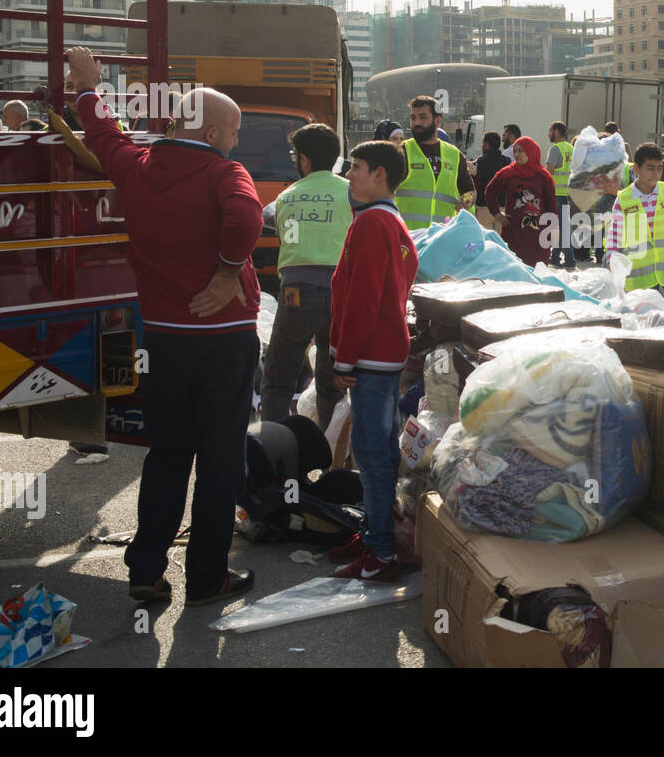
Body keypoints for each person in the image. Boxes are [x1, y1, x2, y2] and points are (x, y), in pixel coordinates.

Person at [67, 46, 260, 606]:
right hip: (222, 340)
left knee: (168, 454)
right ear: (218, 130)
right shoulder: (225, 172)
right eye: (237, 131)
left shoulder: (139, 165)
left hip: (163, 340)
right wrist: (227, 272)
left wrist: (86, 87)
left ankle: (147, 570)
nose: (238, 142)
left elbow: (102, 137)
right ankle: (206, 577)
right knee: (222, 460)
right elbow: (246, 217)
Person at [326, 140, 419, 582]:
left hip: (370, 358)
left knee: (372, 453)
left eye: (357, 167)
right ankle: (374, 535)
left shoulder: (372, 223)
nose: (350, 175)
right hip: (383, 353)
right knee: (377, 449)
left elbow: (363, 299)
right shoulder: (390, 220)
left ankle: (380, 549)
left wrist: (344, 359)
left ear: (379, 174)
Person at [258, 123, 352, 431]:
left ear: (305, 160)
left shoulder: (288, 196)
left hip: (296, 293)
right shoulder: (351, 192)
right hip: (341, 293)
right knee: (330, 381)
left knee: (278, 379)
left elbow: (266, 216)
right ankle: (332, 457)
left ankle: (273, 454)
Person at [603, 142, 664, 324]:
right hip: (641, 274)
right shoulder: (624, 198)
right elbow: (613, 237)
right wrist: (613, 267)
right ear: (637, 169)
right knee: (647, 322)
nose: (656, 174)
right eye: (650, 168)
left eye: (659, 168)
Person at [394, 95, 473, 230]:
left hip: (441, 239)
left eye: (423, 117)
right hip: (407, 240)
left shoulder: (454, 155)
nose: (416, 122)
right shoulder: (401, 152)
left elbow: (468, 192)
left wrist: (467, 203)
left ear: (437, 121)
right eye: (413, 118)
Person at [484, 136, 556, 268]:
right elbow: (490, 192)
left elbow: (551, 205)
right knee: (513, 270)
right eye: (515, 151)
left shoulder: (543, 176)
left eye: (520, 151)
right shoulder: (507, 173)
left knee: (538, 272)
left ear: (531, 152)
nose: (516, 154)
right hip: (513, 232)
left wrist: (553, 231)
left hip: (538, 235)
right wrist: (497, 213)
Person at [544, 121, 575, 267]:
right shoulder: (571, 148)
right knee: (562, 227)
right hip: (568, 194)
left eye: (550, 131)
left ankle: (569, 260)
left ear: (556, 131)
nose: (549, 134)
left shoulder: (555, 149)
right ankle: (556, 257)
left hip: (557, 193)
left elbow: (548, 172)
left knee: (560, 227)